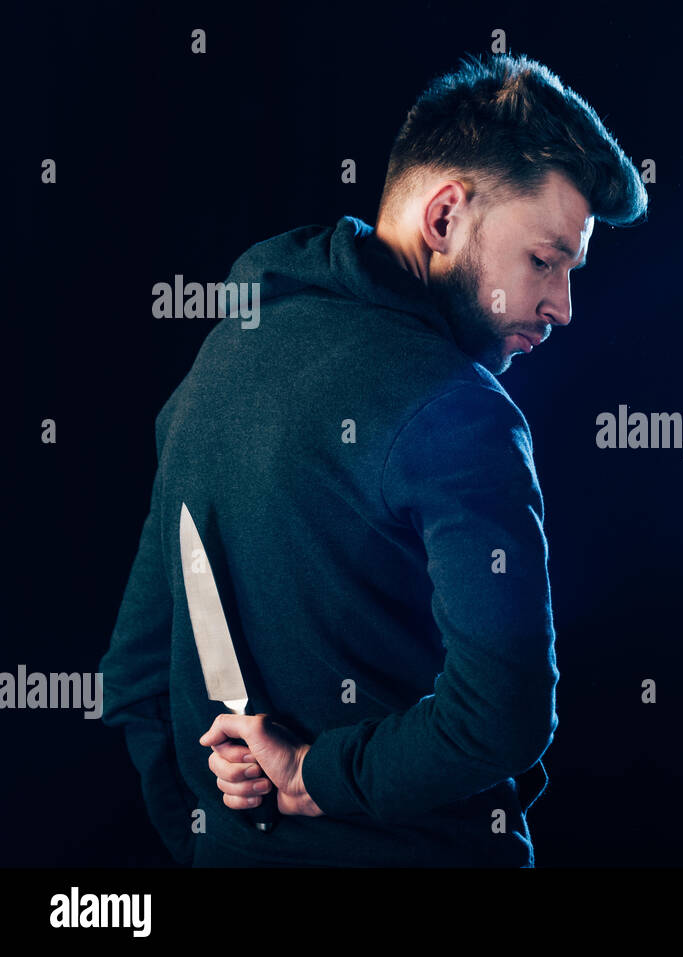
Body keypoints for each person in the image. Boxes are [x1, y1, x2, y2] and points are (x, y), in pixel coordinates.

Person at [97, 53, 647, 867]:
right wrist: (315, 776)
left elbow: (135, 678)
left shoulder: (217, 363)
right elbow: (503, 716)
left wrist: (207, 840)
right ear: (446, 215)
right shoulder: (461, 409)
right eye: (544, 259)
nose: (563, 305)